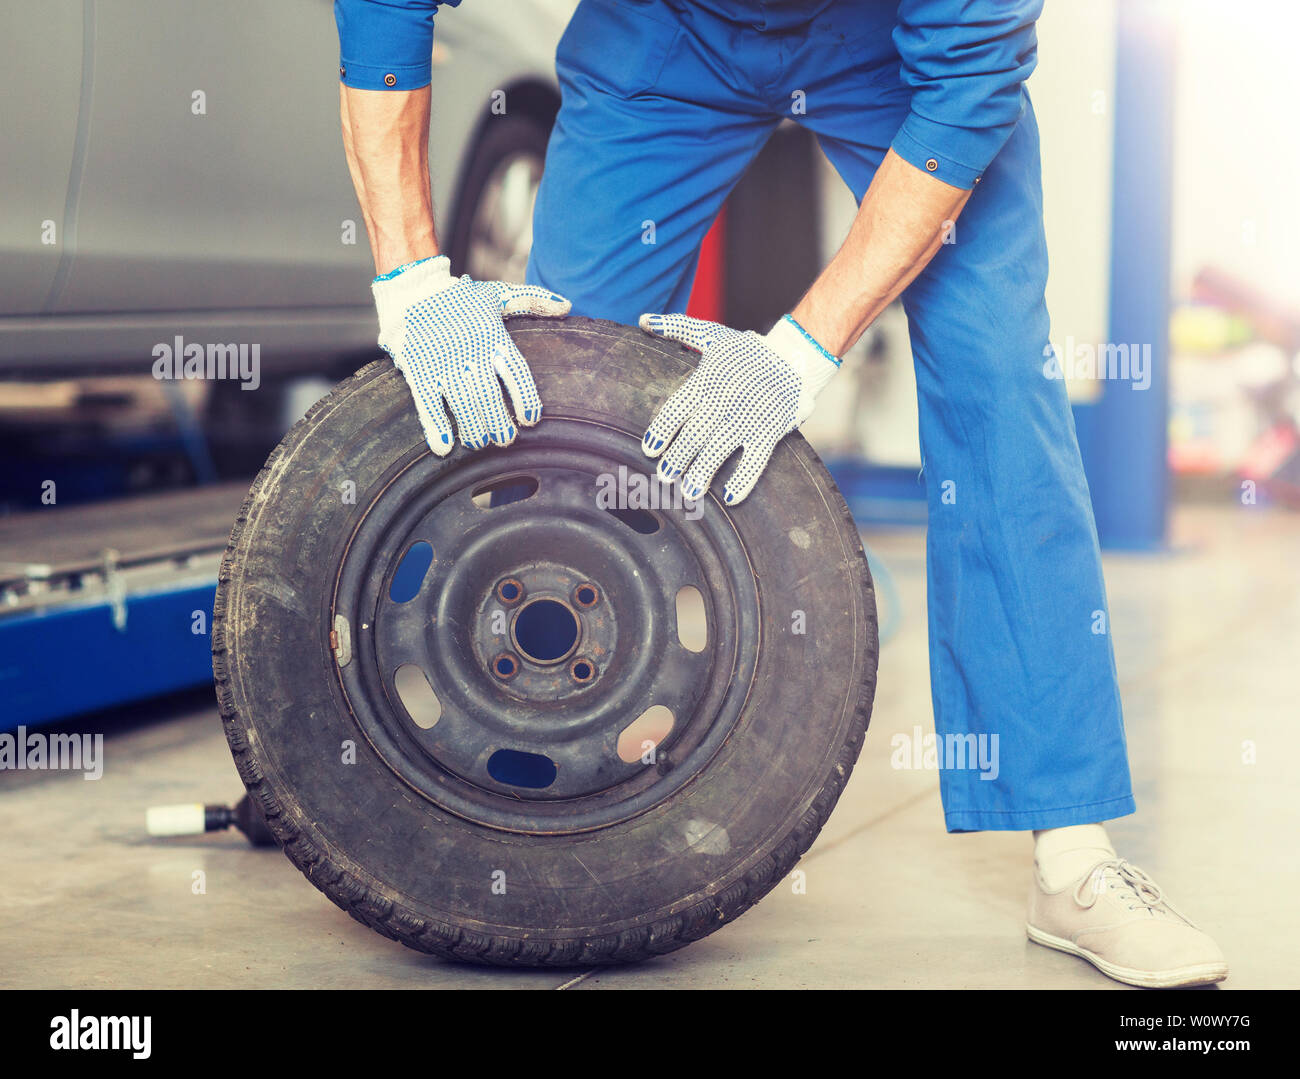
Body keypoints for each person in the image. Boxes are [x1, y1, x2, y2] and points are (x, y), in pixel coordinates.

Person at [332, 0, 1227, 988]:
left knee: (995, 371)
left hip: (892, 50)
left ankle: (1072, 854)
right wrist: (409, 278)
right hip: (662, 30)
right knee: (561, 389)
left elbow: (970, 85)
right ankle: (523, 789)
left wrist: (802, 352)